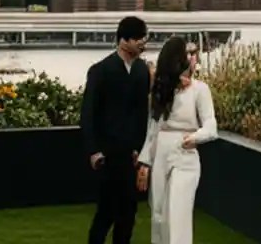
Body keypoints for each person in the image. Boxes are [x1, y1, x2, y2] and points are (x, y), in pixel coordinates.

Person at [137, 37, 218, 244]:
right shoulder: (161, 90)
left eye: (193, 53)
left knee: (177, 212)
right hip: (161, 152)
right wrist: (145, 163)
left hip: (185, 155)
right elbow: (152, 128)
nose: (193, 58)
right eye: (188, 53)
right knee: (158, 214)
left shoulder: (200, 89)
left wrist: (195, 138)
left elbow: (211, 127)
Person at [81, 15, 151, 244]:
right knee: (106, 212)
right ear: (124, 41)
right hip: (107, 155)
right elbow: (88, 114)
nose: (143, 43)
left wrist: (140, 150)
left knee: (128, 214)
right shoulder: (100, 71)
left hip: (131, 156)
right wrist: (94, 150)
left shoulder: (142, 71)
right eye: (139, 38)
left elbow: (143, 114)